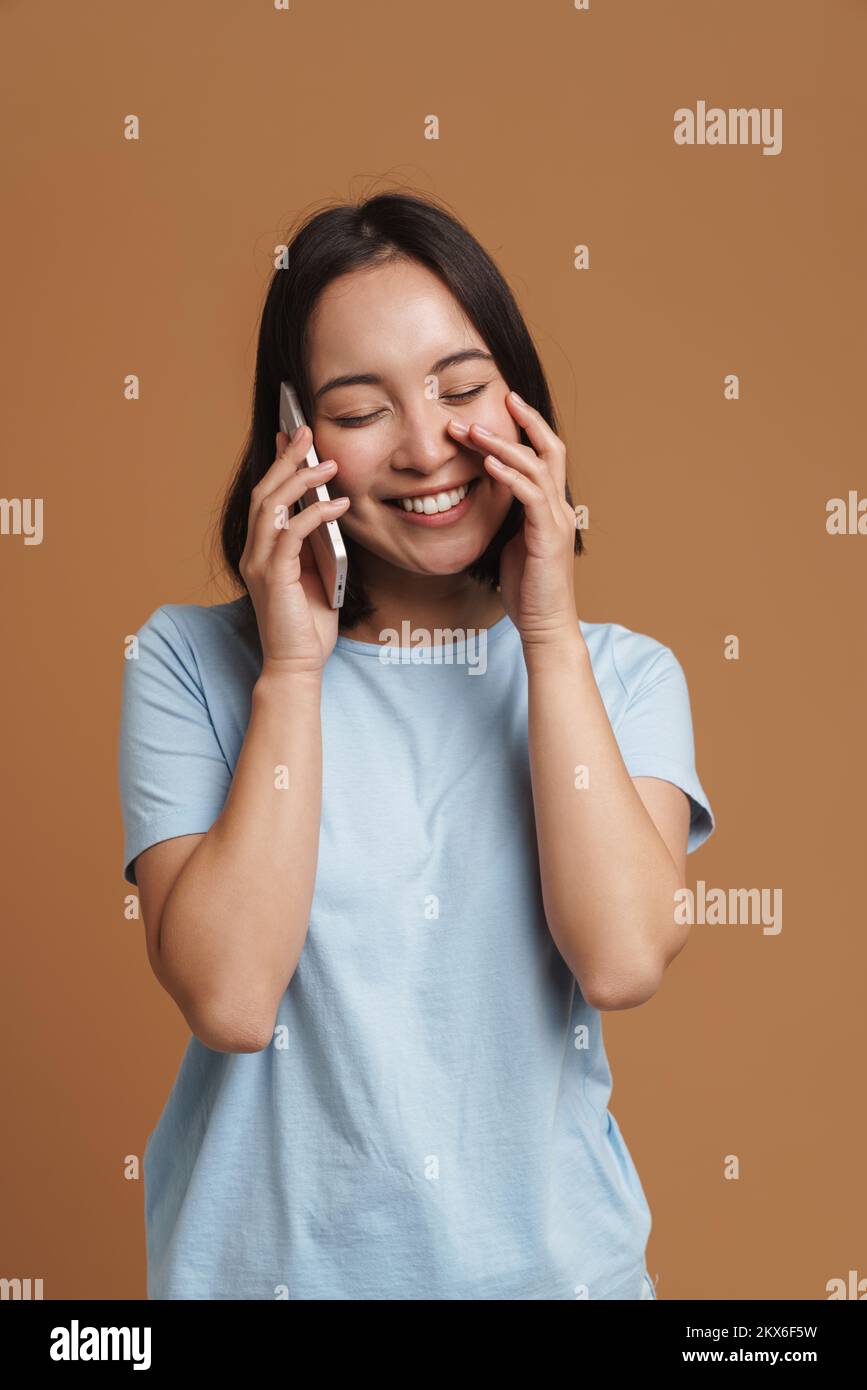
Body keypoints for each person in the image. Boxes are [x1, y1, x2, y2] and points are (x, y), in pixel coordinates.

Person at [118, 191, 715, 1301]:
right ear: (296, 434)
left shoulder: (626, 676)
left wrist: (547, 633)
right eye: (361, 407)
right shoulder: (187, 665)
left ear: (521, 400)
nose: (429, 443)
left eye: (461, 387)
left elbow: (624, 958)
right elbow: (233, 999)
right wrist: (295, 671)